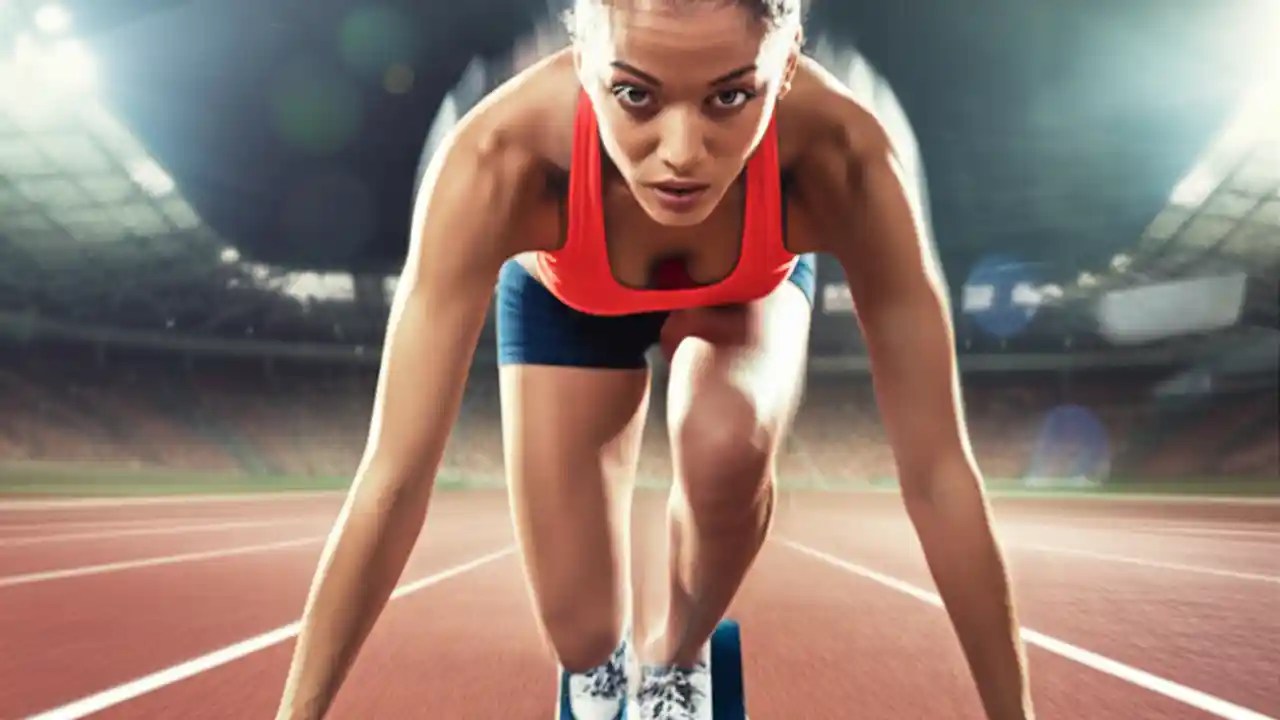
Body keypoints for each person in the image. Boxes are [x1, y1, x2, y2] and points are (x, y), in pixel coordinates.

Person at [276, 1, 1035, 718]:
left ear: (790, 57)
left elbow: (938, 473)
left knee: (724, 444)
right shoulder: (498, 163)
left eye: (731, 98)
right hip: (568, 300)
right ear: (581, 54)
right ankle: (603, 664)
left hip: (746, 293)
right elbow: (395, 479)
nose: (681, 157)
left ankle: (678, 657)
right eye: (635, 95)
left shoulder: (844, 159)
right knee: (578, 635)